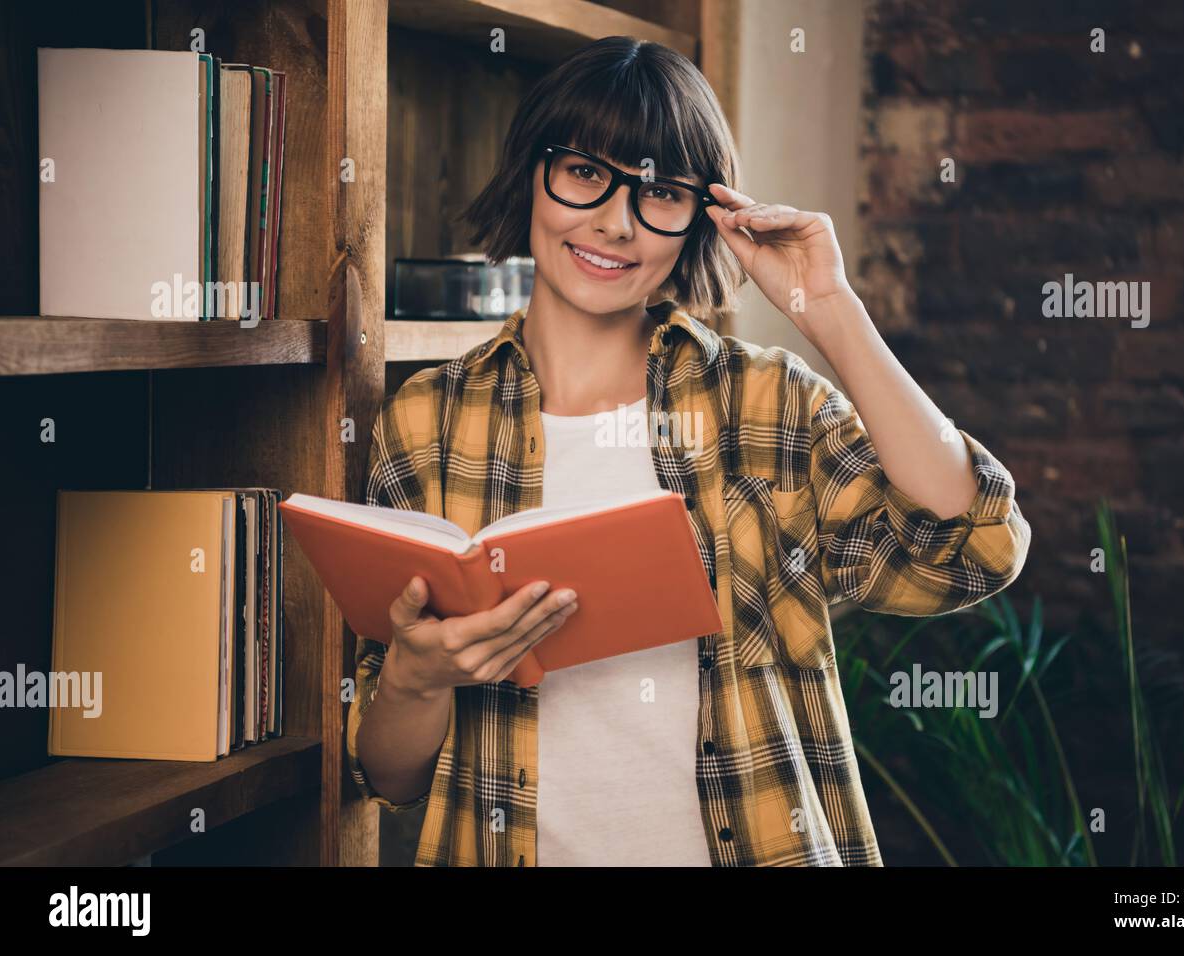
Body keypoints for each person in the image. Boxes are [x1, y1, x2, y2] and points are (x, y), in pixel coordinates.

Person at [350, 35, 1030, 867]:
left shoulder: (766, 405)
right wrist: (416, 681)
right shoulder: (423, 425)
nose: (614, 221)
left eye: (659, 192)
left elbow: (971, 550)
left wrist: (833, 311)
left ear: (698, 219)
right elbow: (389, 775)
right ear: (533, 169)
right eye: (584, 172)